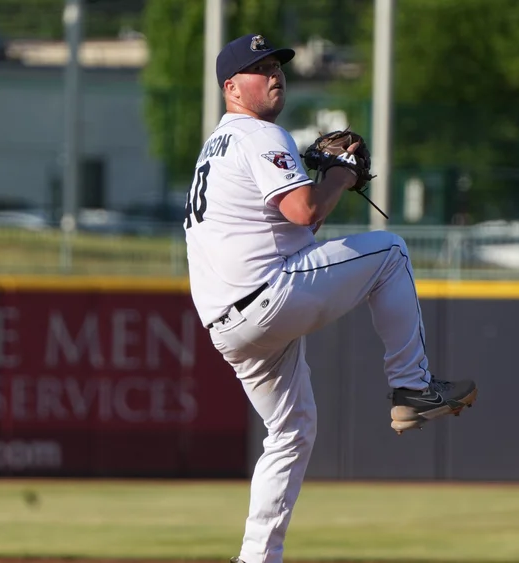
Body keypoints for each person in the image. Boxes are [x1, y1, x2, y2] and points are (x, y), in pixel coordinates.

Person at [183, 33, 478, 563]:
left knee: (292, 430)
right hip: (271, 294)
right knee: (390, 252)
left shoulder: (217, 146)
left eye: (277, 66)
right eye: (259, 68)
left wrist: (323, 177)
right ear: (231, 87)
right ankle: (413, 387)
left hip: (228, 326)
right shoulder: (258, 134)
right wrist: (339, 174)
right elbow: (306, 212)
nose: (274, 74)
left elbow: (289, 223)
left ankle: (256, 558)